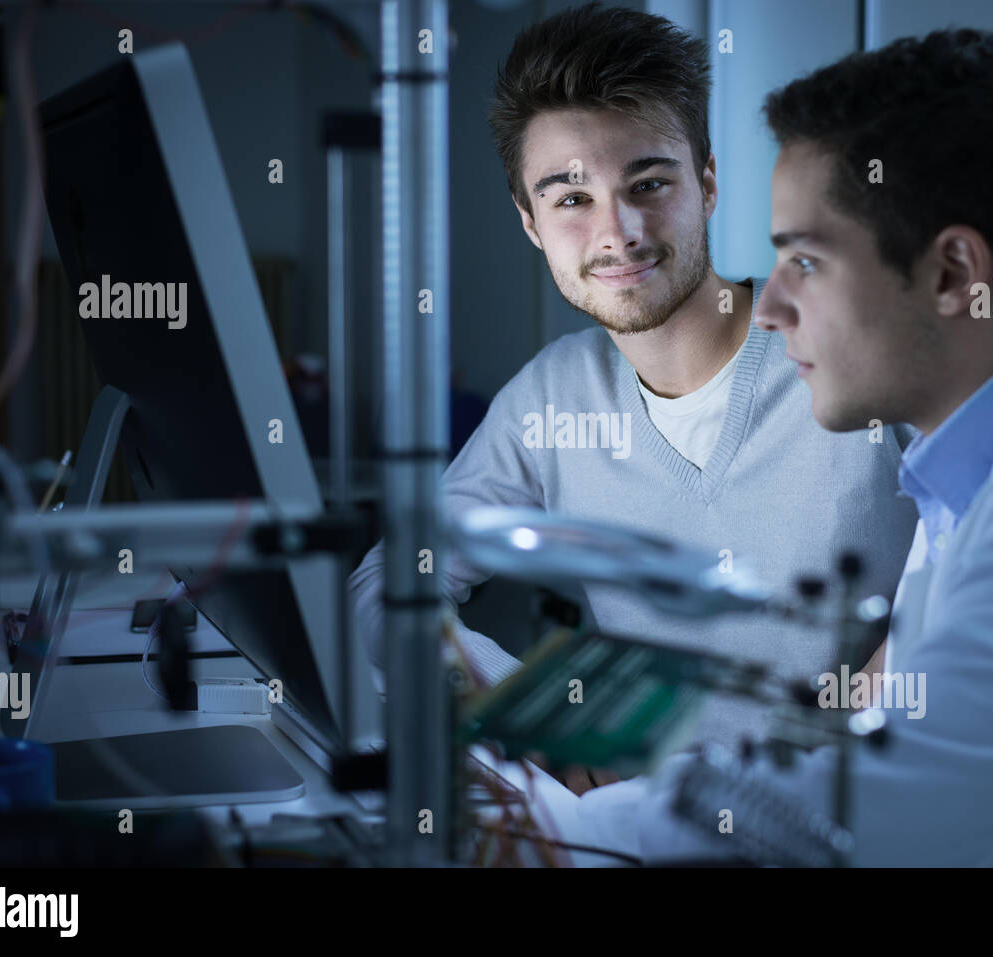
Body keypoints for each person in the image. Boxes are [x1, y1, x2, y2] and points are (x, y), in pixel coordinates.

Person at [577, 28, 993, 864]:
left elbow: (875, 833)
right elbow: (873, 757)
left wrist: (544, 827)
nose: (768, 307)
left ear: (955, 273)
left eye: (804, 261)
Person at [348, 3, 918, 775]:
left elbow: (987, 571)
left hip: (850, 814)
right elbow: (388, 585)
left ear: (707, 183)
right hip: (636, 828)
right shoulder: (554, 398)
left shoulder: (852, 352)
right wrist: (524, 706)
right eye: (572, 199)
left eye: (648, 183)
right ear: (530, 223)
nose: (617, 233)